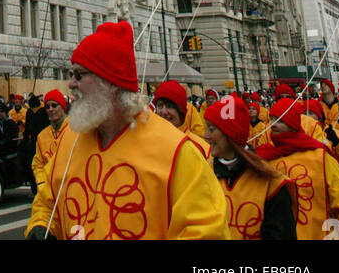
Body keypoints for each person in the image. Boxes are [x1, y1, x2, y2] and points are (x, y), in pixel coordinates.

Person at [25, 21, 229, 240]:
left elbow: (206, 231)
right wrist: (41, 226)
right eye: (71, 74)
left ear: (111, 82)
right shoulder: (70, 140)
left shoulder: (177, 151)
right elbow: (47, 203)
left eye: (79, 75)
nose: (71, 84)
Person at [256, 97, 339, 241]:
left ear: (292, 124)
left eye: (280, 121)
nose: (273, 125)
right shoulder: (265, 157)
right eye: (272, 120)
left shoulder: (320, 156)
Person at [203, 94, 296, 240]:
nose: (205, 135)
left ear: (229, 134)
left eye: (211, 129)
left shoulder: (271, 183)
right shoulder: (202, 173)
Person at [24, 89, 70, 238]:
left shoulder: (76, 131)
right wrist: (43, 182)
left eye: (54, 105)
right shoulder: (42, 136)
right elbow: (37, 163)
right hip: (48, 195)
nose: (51, 109)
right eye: (48, 106)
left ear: (63, 107)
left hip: (71, 193)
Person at [152, 81, 210, 157]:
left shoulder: (200, 148)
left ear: (180, 110)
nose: (164, 112)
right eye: (160, 106)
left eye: (169, 106)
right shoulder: (149, 142)